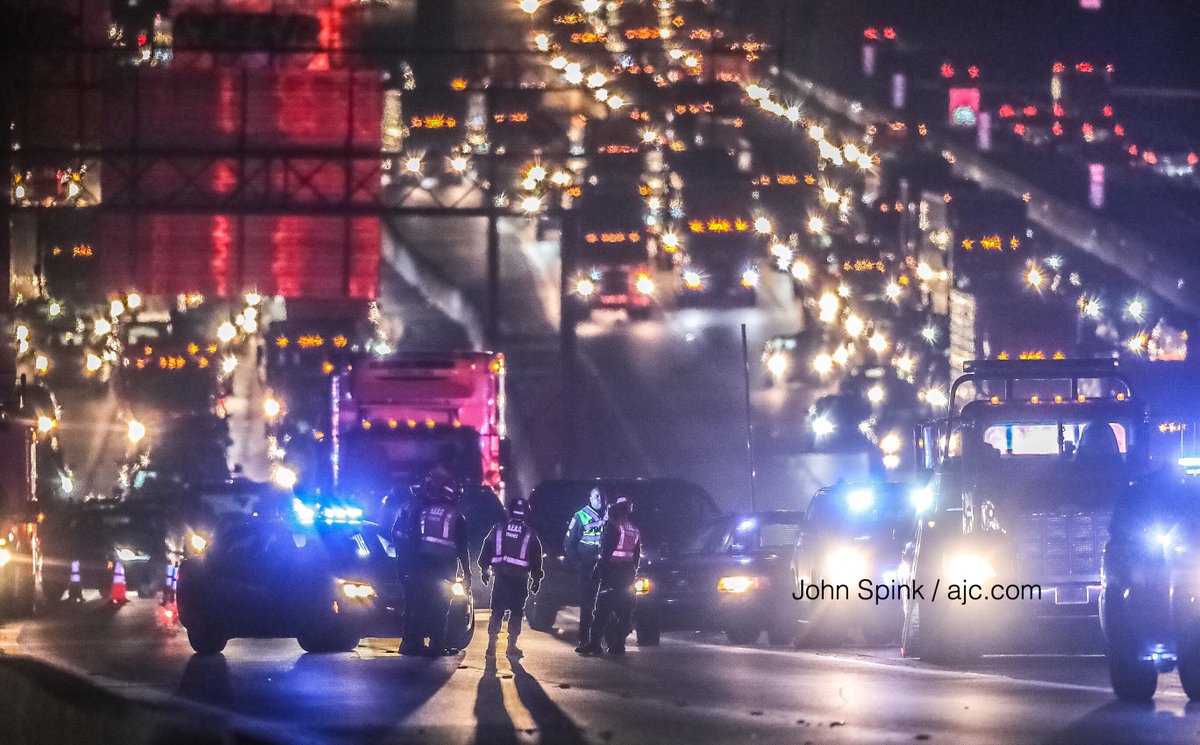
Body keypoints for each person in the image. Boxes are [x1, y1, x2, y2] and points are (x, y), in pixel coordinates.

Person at [401, 478, 472, 656]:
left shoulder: (424, 511)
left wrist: (411, 566)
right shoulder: (456, 516)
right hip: (444, 567)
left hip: (422, 566)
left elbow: (414, 540)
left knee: (420, 604)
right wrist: (467, 572)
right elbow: (462, 547)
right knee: (440, 607)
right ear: (455, 496)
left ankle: (412, 644)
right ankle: (436, 644)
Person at [478, 497, 544, 659]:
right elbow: (536, 560)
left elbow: (486, 550)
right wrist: (536, 579)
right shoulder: (530, 535)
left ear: (509, 511)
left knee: (497, 611)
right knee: (516, 612)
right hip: (520, 580)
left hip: (501, 578)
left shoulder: (498, 530)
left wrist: (484, 570)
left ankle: (491, 645)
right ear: (526, 514)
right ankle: (511, 646)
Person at [577, 495, 641, 655]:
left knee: (601, 610)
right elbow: (636, 557)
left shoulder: (613, 527)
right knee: (624, 612)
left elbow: (605, 552)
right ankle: (619, 645)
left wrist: (597, 572)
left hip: (612, 574)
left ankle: (594, 643)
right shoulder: (633, 529)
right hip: (627, 575)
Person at [566, 486, 606, 651]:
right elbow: (569, 543)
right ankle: (583, 638)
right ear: (590, 498)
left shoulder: (607, 515)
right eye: (596, 496)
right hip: (587, 564)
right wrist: (578, 563)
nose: (600, 500)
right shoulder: (580, 516)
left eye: (602, 497)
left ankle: (598, 638)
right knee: (588, 603)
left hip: (602, 565)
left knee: (603, 603)